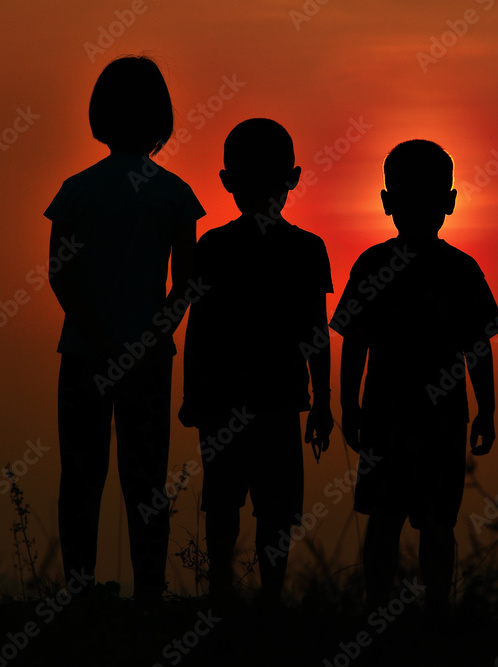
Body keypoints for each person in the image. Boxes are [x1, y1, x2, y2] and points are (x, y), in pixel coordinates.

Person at [44, 56, 205, 601]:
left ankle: (80, 587)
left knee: (81, 478)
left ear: (100, 116)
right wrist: (150, 336)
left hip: (83, 355)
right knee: (147, 481)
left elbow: (60, 275)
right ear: (160, 118)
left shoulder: (78, 191)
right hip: (150, 359)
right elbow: (186, 282)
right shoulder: (175, 194)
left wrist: (99, 335)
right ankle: (150, 591)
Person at [330, 139, 498, 616]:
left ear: (387, 202)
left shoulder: (374, 264)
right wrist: (486, 409)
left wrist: (348, 405)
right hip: (438, 419)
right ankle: (434, 614)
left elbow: (354, 343)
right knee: (433, 523)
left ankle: (381, 611)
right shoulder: (462, 269)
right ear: (450, 201)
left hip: (392, 414)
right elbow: (478, 347)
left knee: (389, 522)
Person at [178, 118, 334, 607]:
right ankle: (266, 603)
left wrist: (194, 397)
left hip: (238, 401)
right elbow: (316, 333)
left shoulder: (215, 248)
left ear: (226, 181)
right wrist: (323, 401)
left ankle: (226, 598)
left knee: (231, 505)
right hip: (275, 402)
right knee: (269, 509)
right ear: (293, 176)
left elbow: (197, 331)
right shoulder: (305, 249)